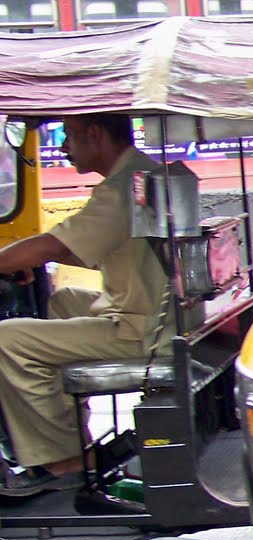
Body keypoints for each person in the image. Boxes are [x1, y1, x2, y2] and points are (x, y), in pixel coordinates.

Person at [0, 114, 165, 497]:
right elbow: (99, 247)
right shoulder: (138, 175)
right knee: (62, 301)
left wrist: (18, 258)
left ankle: (64, 460)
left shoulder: (123, 188)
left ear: (94, 134)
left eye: (70, 136)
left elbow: (57, 244)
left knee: (7, 340)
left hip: (145, 328)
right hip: (150, 311)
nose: (63, 147)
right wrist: (24, 260)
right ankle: (71, 434)